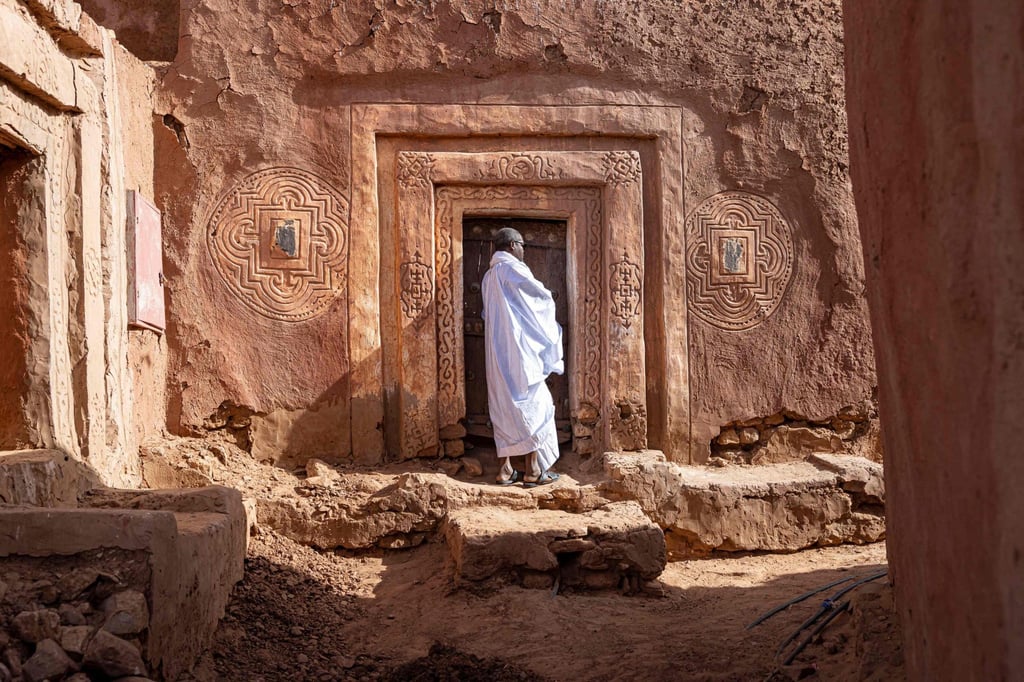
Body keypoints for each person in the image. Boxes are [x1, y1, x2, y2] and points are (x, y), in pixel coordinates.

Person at [481, 226, 564, 487]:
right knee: (535, 405)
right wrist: (550, 297)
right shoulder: (512, 268)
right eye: (522, 246)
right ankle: (533, 471)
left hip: (497, 353)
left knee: (503, 407)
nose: (524, 251)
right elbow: (537, 297)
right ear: (513, 245)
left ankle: (505, 471)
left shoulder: (489, 276)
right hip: (519, 353)